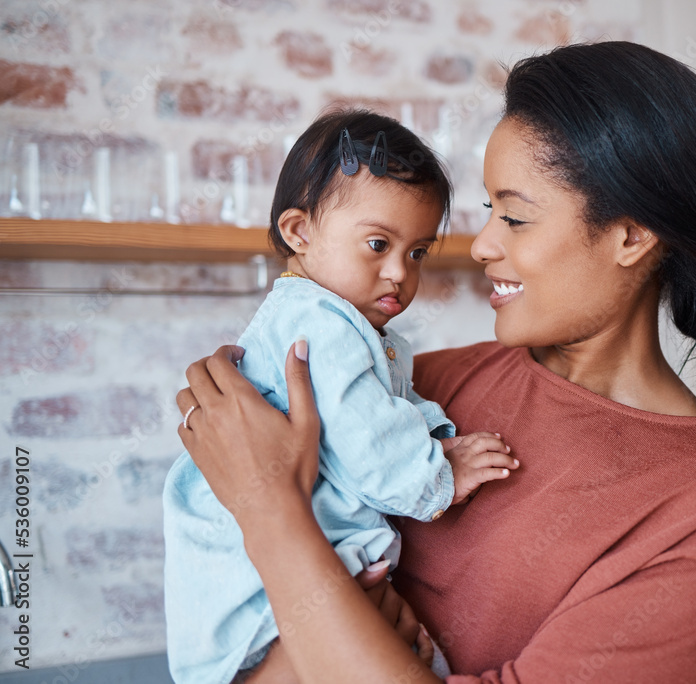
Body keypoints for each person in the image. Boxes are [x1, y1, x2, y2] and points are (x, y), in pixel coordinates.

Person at [176, 41, 696, 684]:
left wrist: (267, 509)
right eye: (488, 212)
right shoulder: (428, 385)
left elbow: (283, 564)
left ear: (631, 235)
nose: (481, 245)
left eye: (515, 217)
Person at [163, 110, 517, 684]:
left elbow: (385, 407)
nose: (400, 273)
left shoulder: (347, 324)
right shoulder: (321, 322)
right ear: (300, 232)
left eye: (418, 252)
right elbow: (364, 436)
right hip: (258, 577)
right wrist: (438, 474)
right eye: (378, 244)